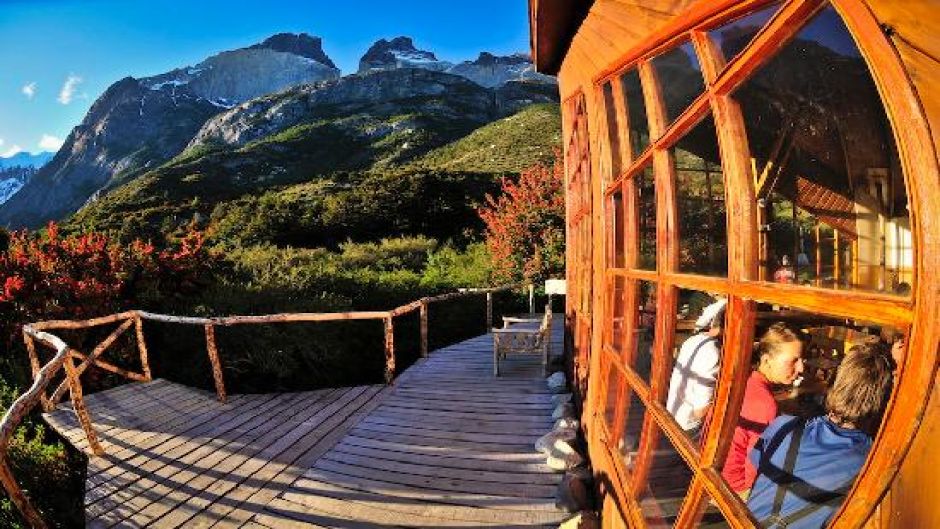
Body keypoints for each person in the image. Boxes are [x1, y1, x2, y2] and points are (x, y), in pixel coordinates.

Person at [746, 343, 894, 528]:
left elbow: (754, 473)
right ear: (884, 402)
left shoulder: (784, 425)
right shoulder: (873, 464)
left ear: (835, 384)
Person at [721, 323, 804, 498]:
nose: (801, 368)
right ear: (766, 360)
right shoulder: (765, 403)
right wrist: (754, 498)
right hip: (735, 487)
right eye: (794, 361)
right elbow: (755, 465)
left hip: (719, 473)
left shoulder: (747, 380)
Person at [666, 298, 726, 439]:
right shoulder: (712, 352)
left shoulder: (693, 340)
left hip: (673, 415)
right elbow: (700, 412)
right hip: (689, 428)